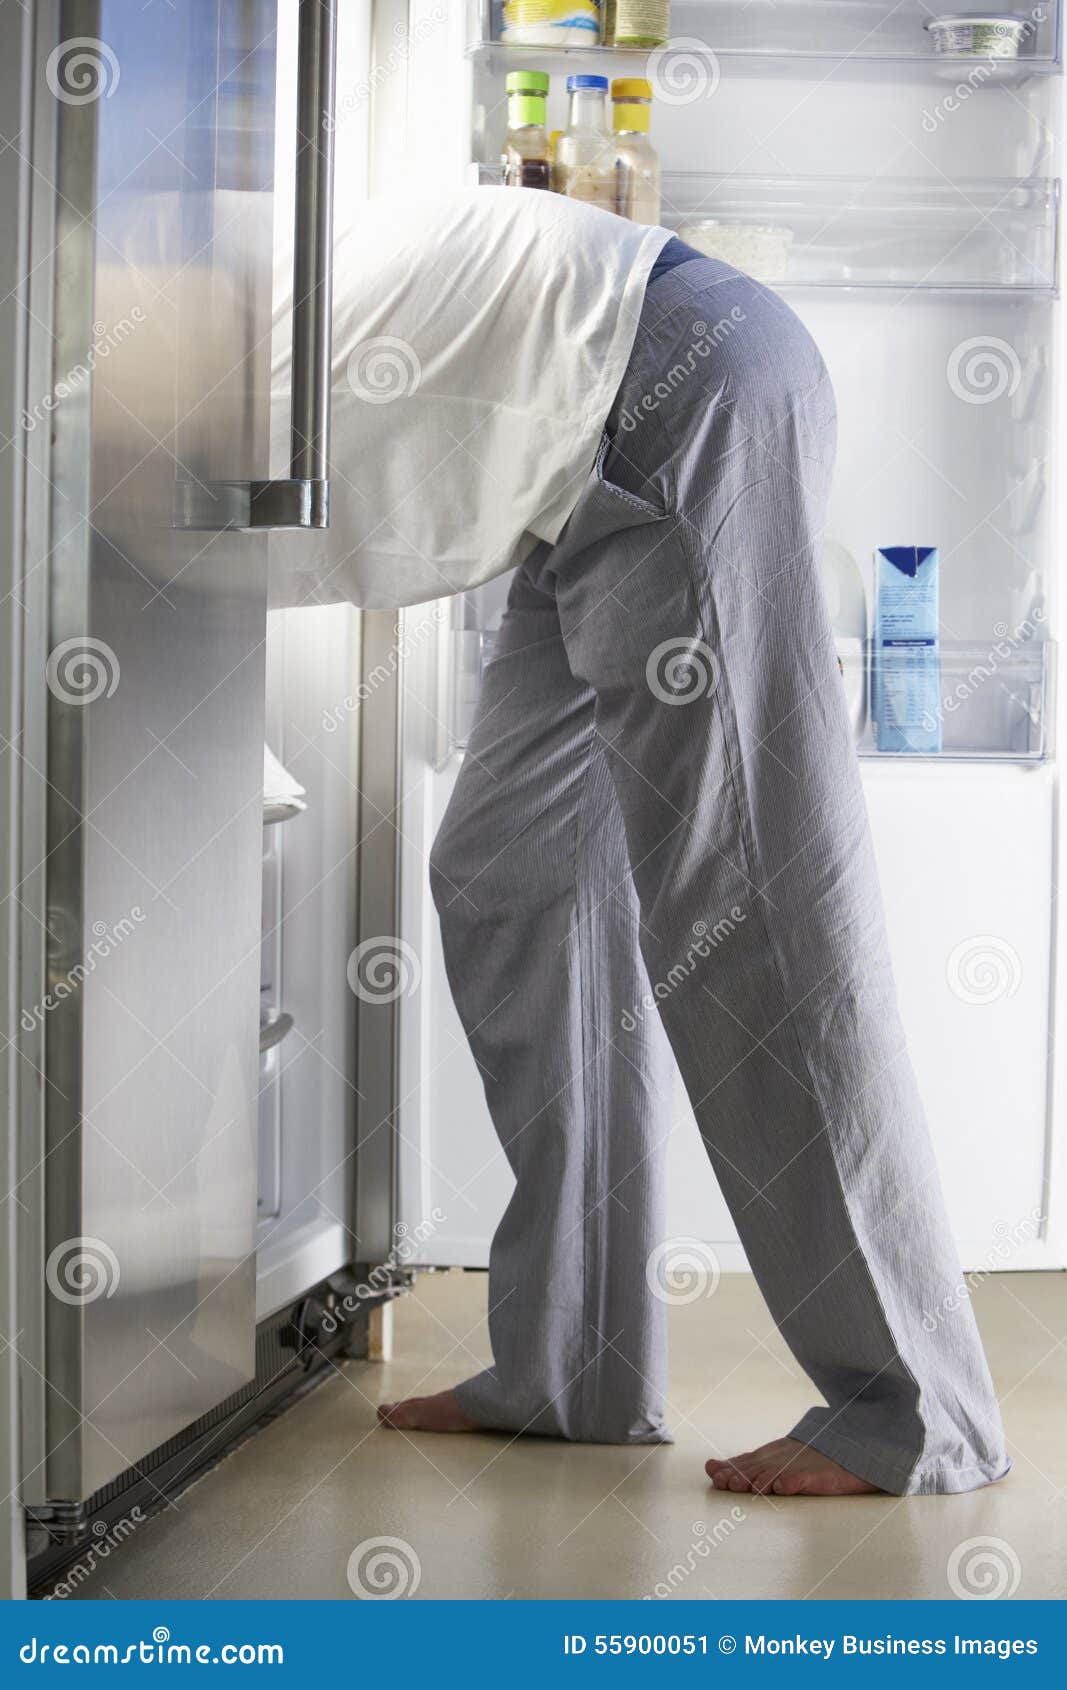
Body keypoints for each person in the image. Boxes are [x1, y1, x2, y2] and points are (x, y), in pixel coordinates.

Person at [275, 189, 1010, 1498]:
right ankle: (573, 1363)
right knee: (513, 871)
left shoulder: (144, 321)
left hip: (663, 388)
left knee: (746, 890)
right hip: (594, 440)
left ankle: (916, 1409)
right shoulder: (168, 288)